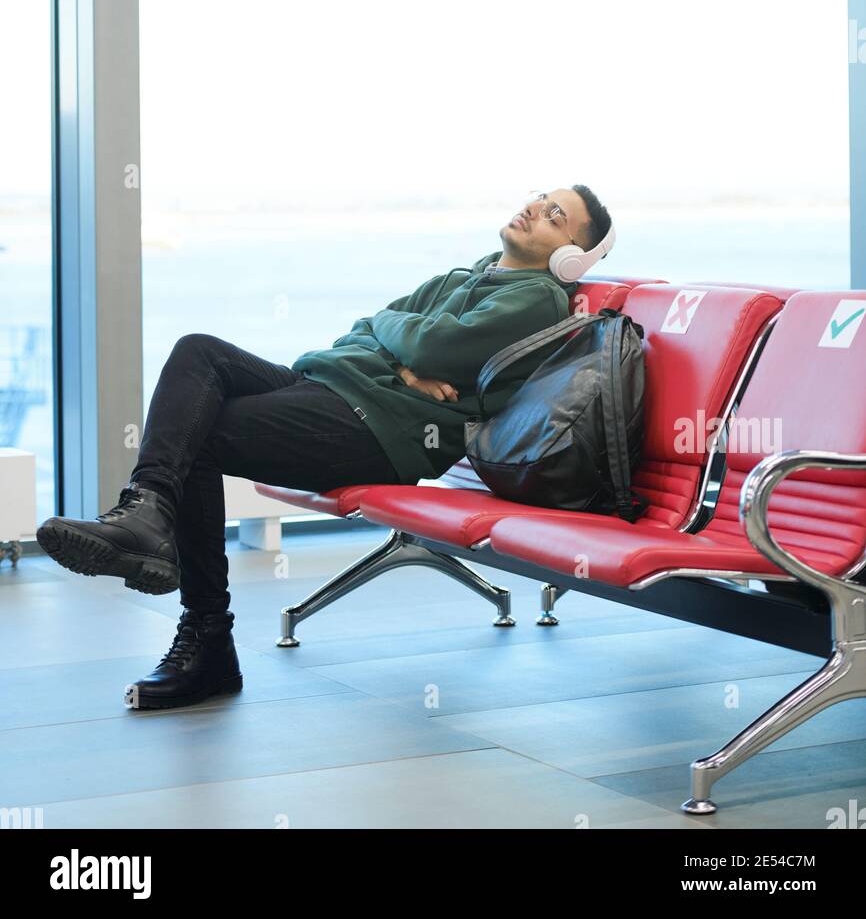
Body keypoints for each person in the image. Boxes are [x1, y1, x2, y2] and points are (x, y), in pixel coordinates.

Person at [36, 183, 612, 710]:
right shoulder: (466, 277)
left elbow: (432, 345)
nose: (536, 208)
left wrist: (408, 354)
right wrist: (404, 357)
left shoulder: (535, 297)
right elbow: (368, 325)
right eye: (541, 197)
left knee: (196, 436)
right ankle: (148, 511)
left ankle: (201, 630)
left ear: (571, 257)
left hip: (376, 428)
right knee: (197, 352)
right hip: (326, 385)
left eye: (556, 216)